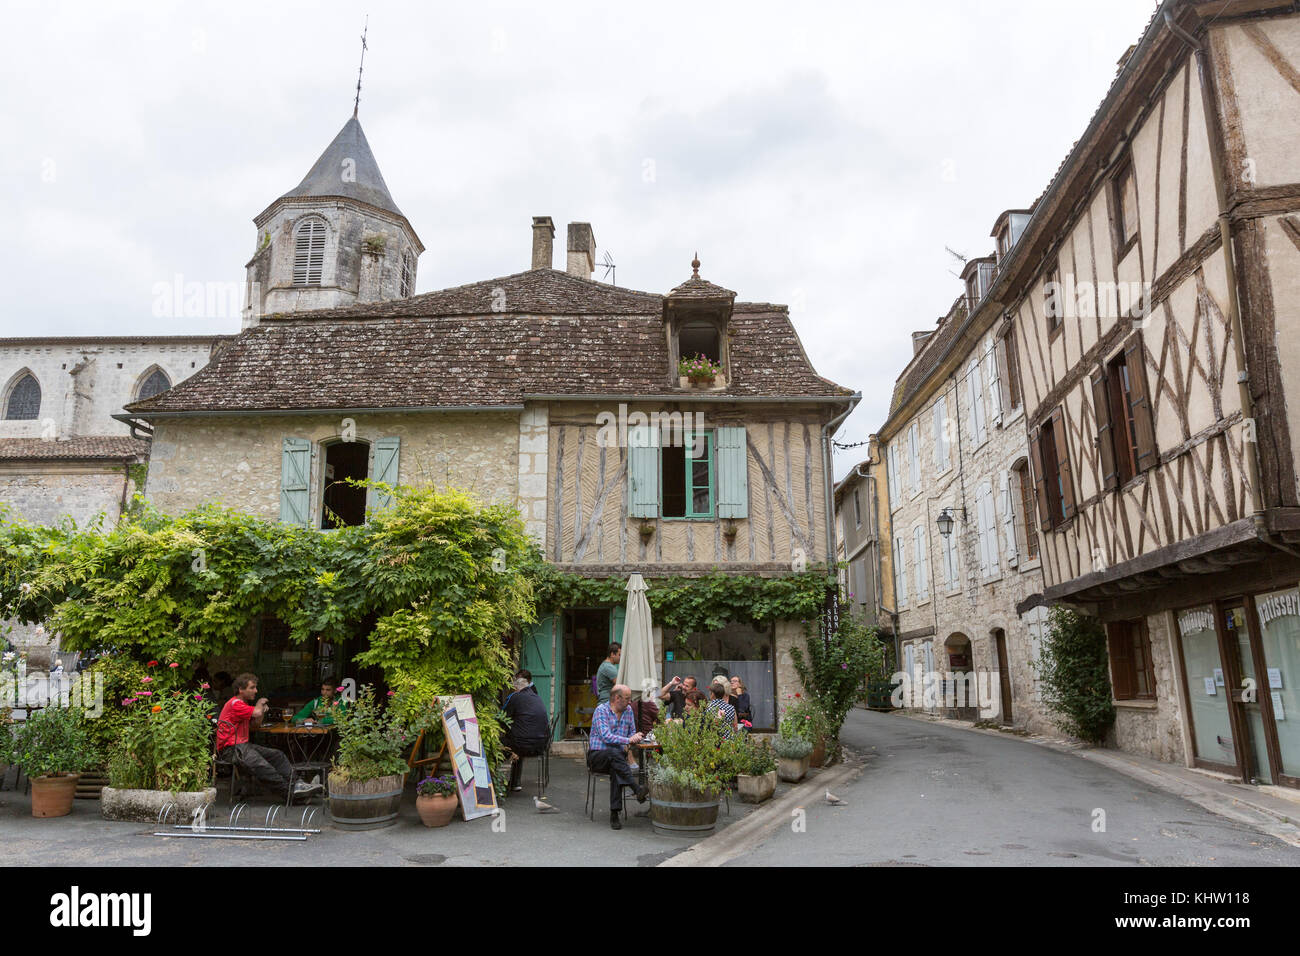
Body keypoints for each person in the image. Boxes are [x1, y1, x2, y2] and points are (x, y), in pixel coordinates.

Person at [216, 674, 321, 802]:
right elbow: (256, 712)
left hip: (242, 746)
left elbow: (255, 724)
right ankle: (292, 795)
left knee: (277, 755)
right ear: (241, 690)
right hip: (230, 749)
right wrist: (260, 703)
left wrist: (261, 711)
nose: (256, 690)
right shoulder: (235, 703)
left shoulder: (243, 704)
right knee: (264, 767)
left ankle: (298, 785)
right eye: (252, 688)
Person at [586, 684, 648, 829]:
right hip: (597, 757)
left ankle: (615, 813)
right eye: (627, 698)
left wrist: (636, 736)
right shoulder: (601, 711)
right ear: (617, 698)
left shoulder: (628, 711)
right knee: (614, 754)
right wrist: (628, 740)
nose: (630, 701)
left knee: (616, 766)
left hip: (617, 759)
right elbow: (606, 737)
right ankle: (636, 788)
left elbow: (632, 732)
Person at [503, 669, 550, 792]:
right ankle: (514, 782)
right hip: (541, 745)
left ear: (516, 688)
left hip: (522, 746)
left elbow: (502, 718)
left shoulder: (515, 697)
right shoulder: (536, 697)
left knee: (501, 742)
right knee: (520, 735)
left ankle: (492, 783)